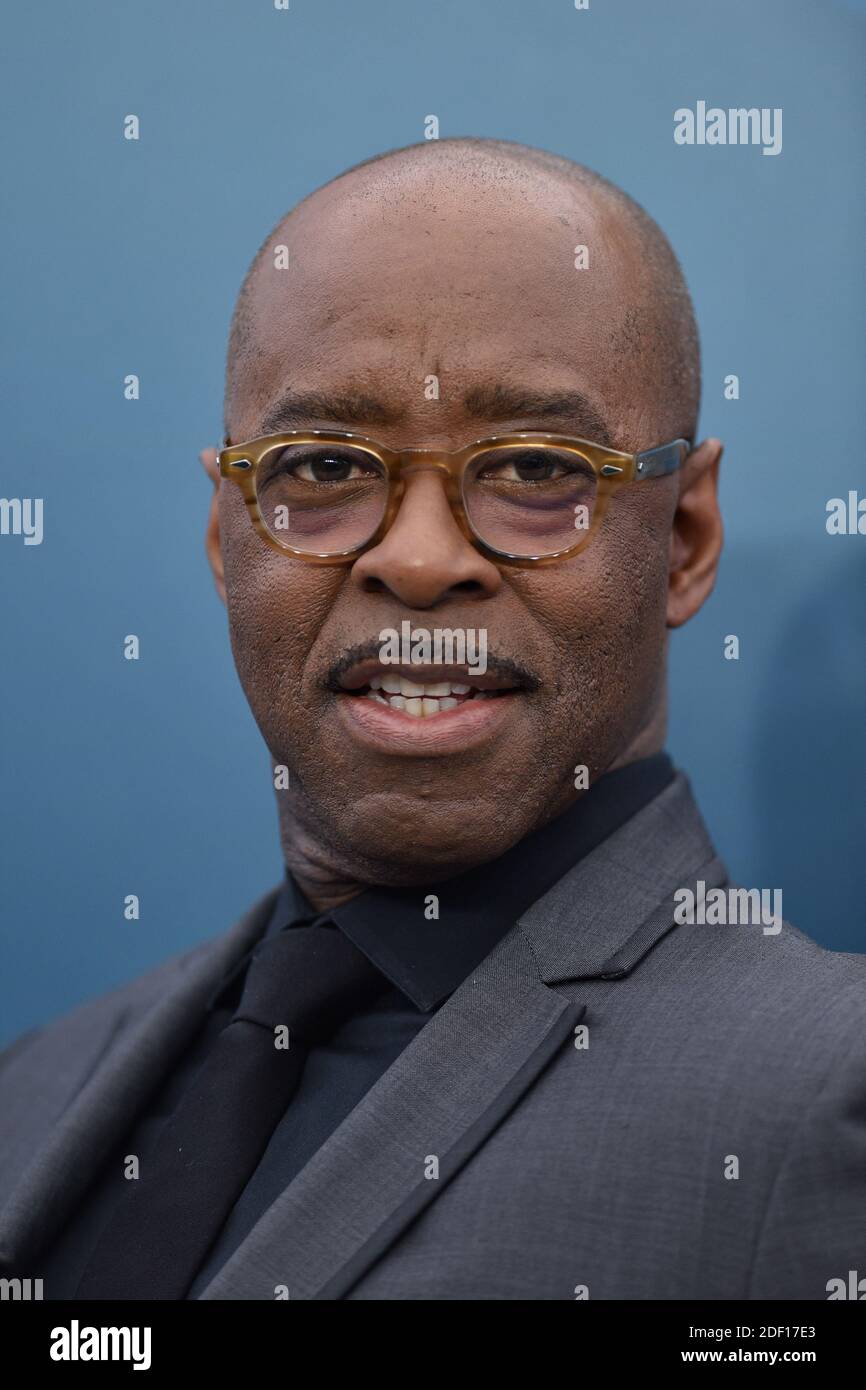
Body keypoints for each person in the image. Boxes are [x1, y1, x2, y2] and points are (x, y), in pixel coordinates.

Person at [1, 138, 864, 1302]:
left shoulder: (822, 1099)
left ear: (683, 540)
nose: (415, 558)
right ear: (226, 535)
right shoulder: (37, 1086)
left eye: (534, 470)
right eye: (318, 467)